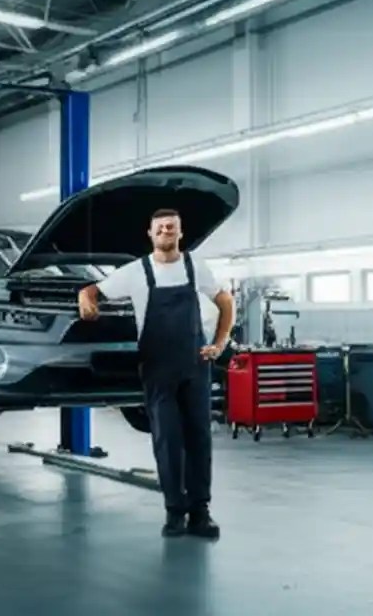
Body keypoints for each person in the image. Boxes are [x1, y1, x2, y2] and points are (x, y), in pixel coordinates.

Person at [78, 208, 235, 539]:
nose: (166, 231)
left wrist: (220, 344)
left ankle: (201, 513)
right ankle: (174, 513)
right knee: (167, 439)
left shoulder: (196, 266)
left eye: (172, 227)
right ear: (150, 234)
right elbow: (93, 290)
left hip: (196, 366)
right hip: (157, 366)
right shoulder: (136, 271)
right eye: (160, 227)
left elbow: (226, 302)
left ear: (181, 233)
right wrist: (85, 299)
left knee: (199, 439)